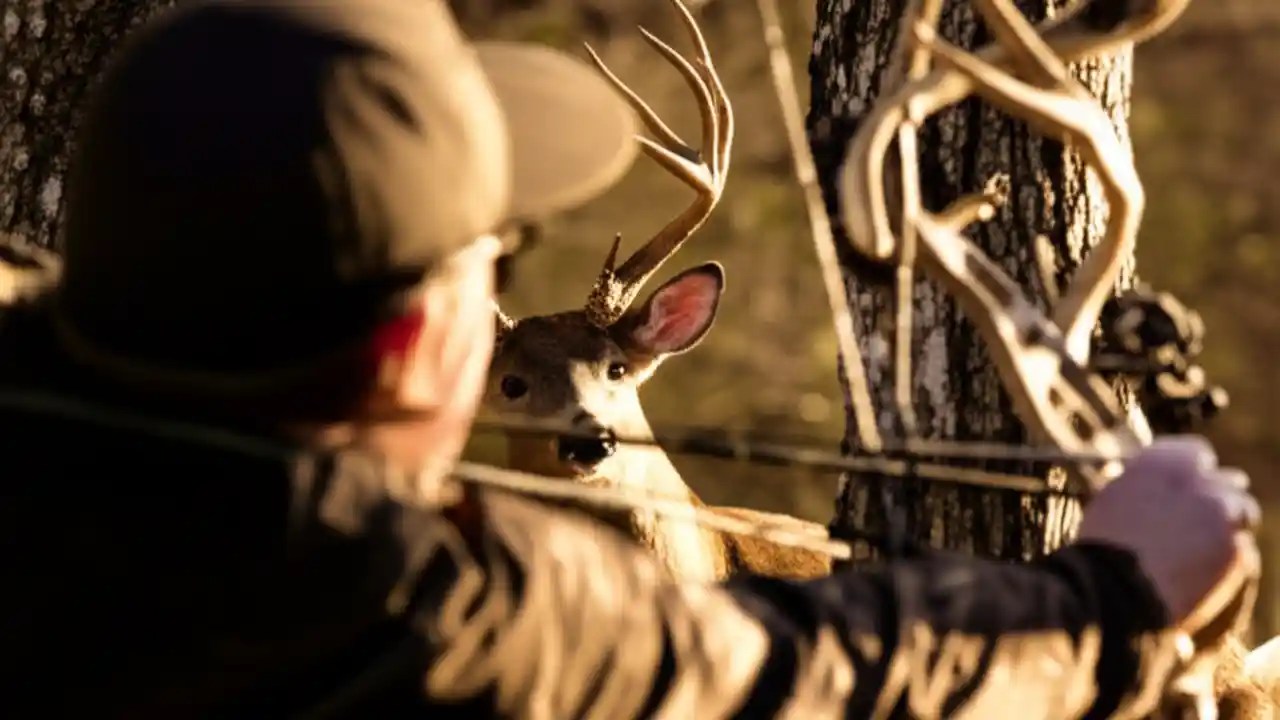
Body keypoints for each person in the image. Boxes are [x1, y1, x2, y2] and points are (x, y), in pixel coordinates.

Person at [0, 1, 1261, 718]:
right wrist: (1108, 599)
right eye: (483, 271)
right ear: (417, 350)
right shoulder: (426, 613)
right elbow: (785, 667)